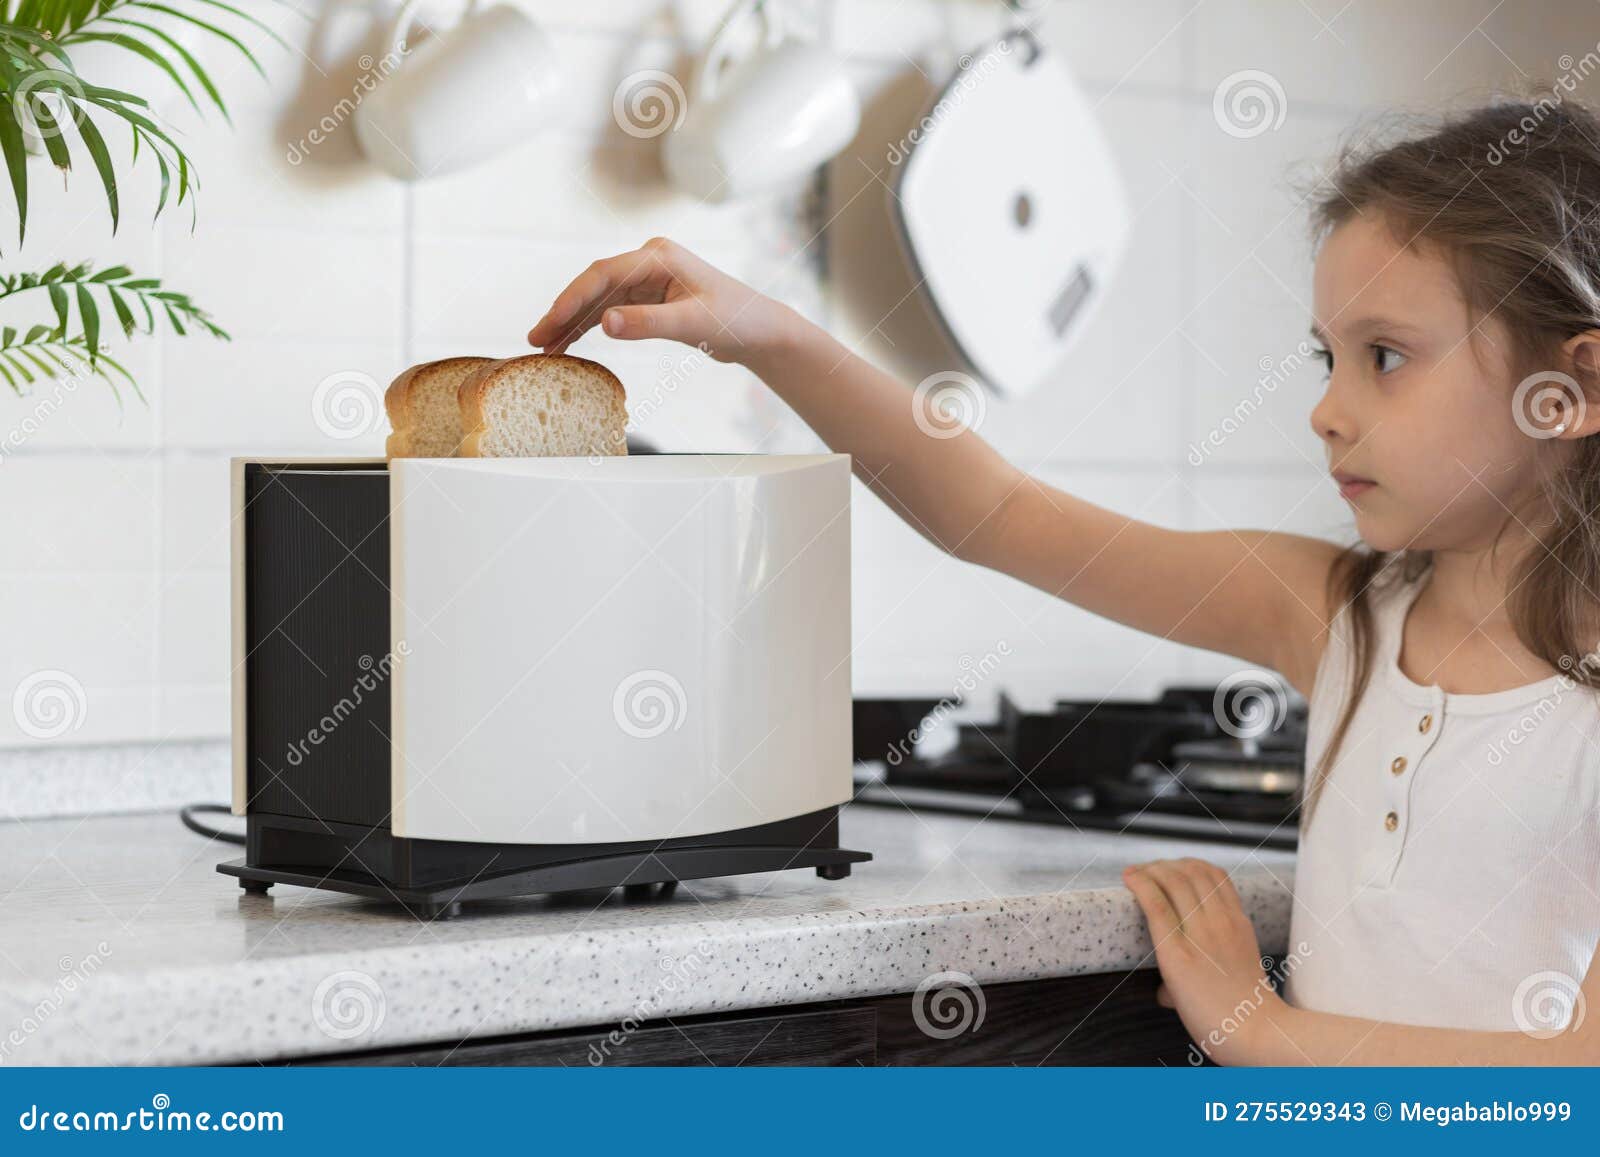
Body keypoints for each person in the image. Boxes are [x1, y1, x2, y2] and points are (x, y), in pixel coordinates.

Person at [526, 97, 1600, 1066]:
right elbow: (991, 512)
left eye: (1387, 355)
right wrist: (764, 335)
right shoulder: (1338, 616)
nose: (1327, 407)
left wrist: (1257, 1030)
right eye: (1328, 357)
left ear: (1573, 384)